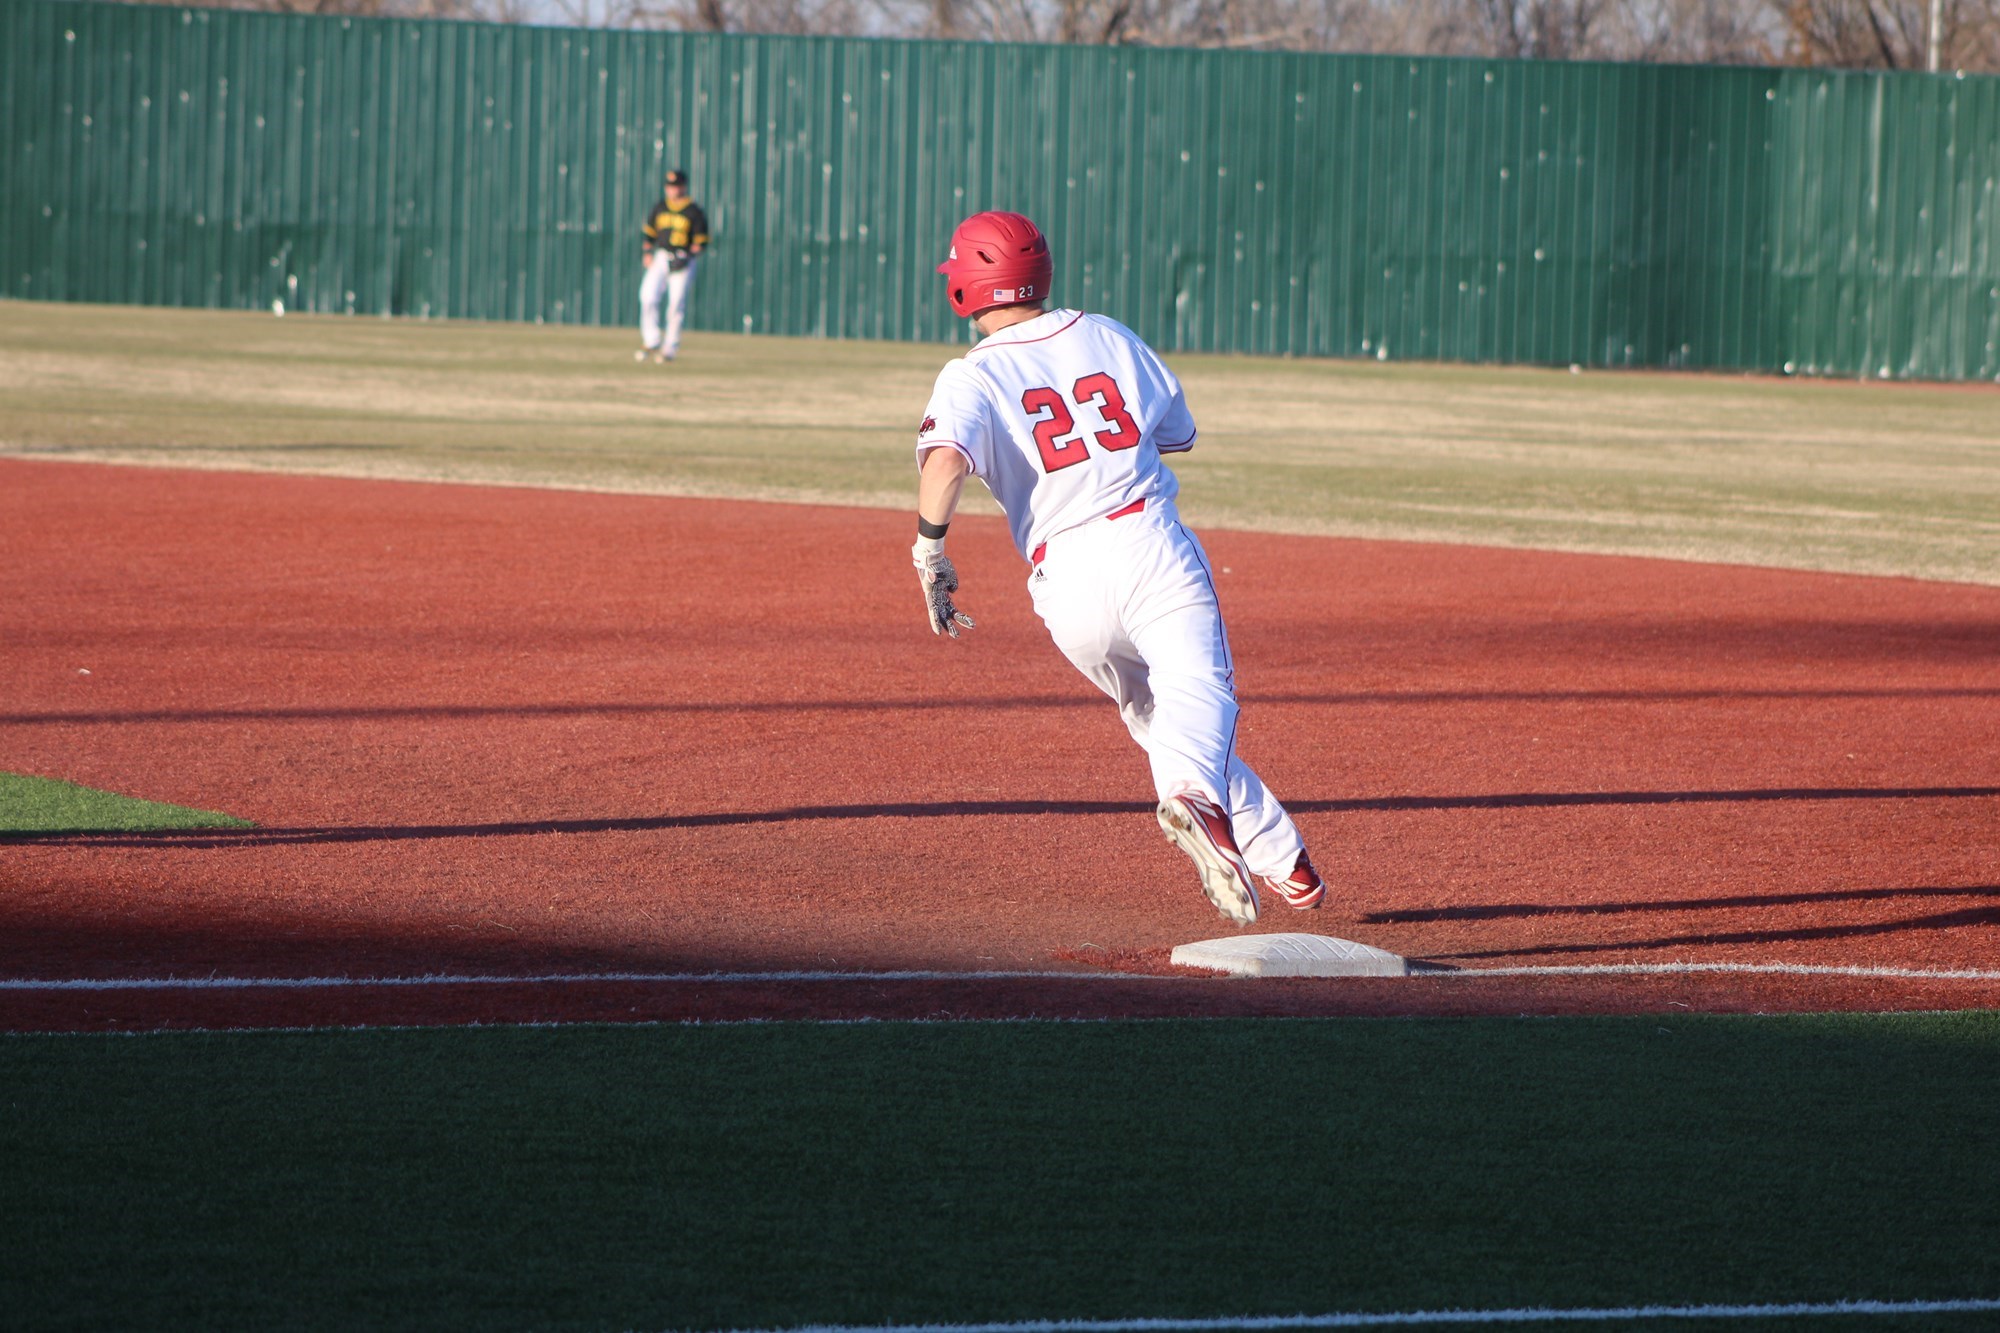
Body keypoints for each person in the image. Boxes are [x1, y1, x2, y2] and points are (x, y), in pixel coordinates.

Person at [909, 209, 1324, 926]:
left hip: (1063, 584)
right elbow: (1178, 435)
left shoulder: (969, 373)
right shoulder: (1105, 334)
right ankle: (1200, 803)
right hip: (1147, 544)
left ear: (968, 288)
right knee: (1200, 694)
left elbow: (946, 461)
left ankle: (1281, 857)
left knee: (1160, 718)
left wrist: (930, 549)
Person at [635, 169, 708, 364]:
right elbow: (649, 234)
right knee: (647, 296)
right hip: (661, 256)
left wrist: (688, 256)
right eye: (669, 186)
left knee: (676, 304)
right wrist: (647, 252)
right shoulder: (660, 207)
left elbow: (701, 241)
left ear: (683, 187)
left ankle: (669, 348)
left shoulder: (693, 211)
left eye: (676, 186)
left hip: (683, 259)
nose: (672, 190)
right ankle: (651, 340)